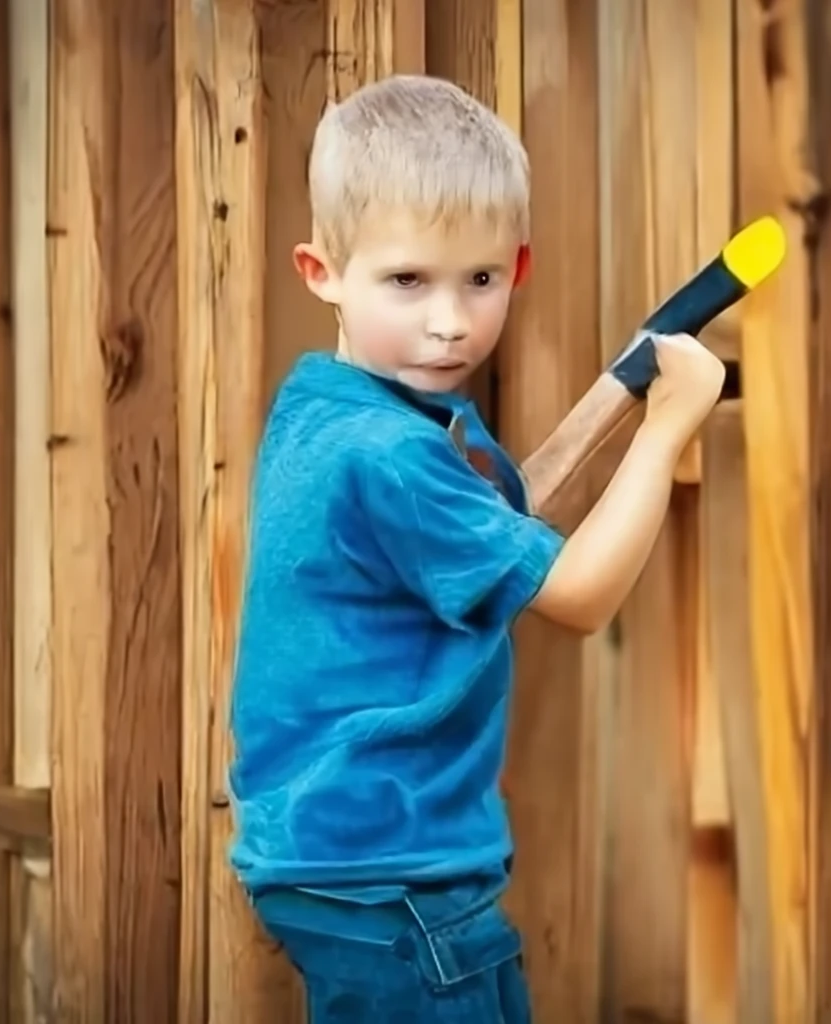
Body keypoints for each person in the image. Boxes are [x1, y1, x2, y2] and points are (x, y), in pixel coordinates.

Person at [228, 74, 725, 1023]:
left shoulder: (334, 404)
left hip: (356, 856)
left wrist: (623, 392)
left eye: (480, 279)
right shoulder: (387, 453)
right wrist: (667, 430)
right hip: (387, 873)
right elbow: (576, 595)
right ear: (320, 270)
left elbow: (500, 517)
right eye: (408, 280)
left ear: (517, 267)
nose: (450, 320)